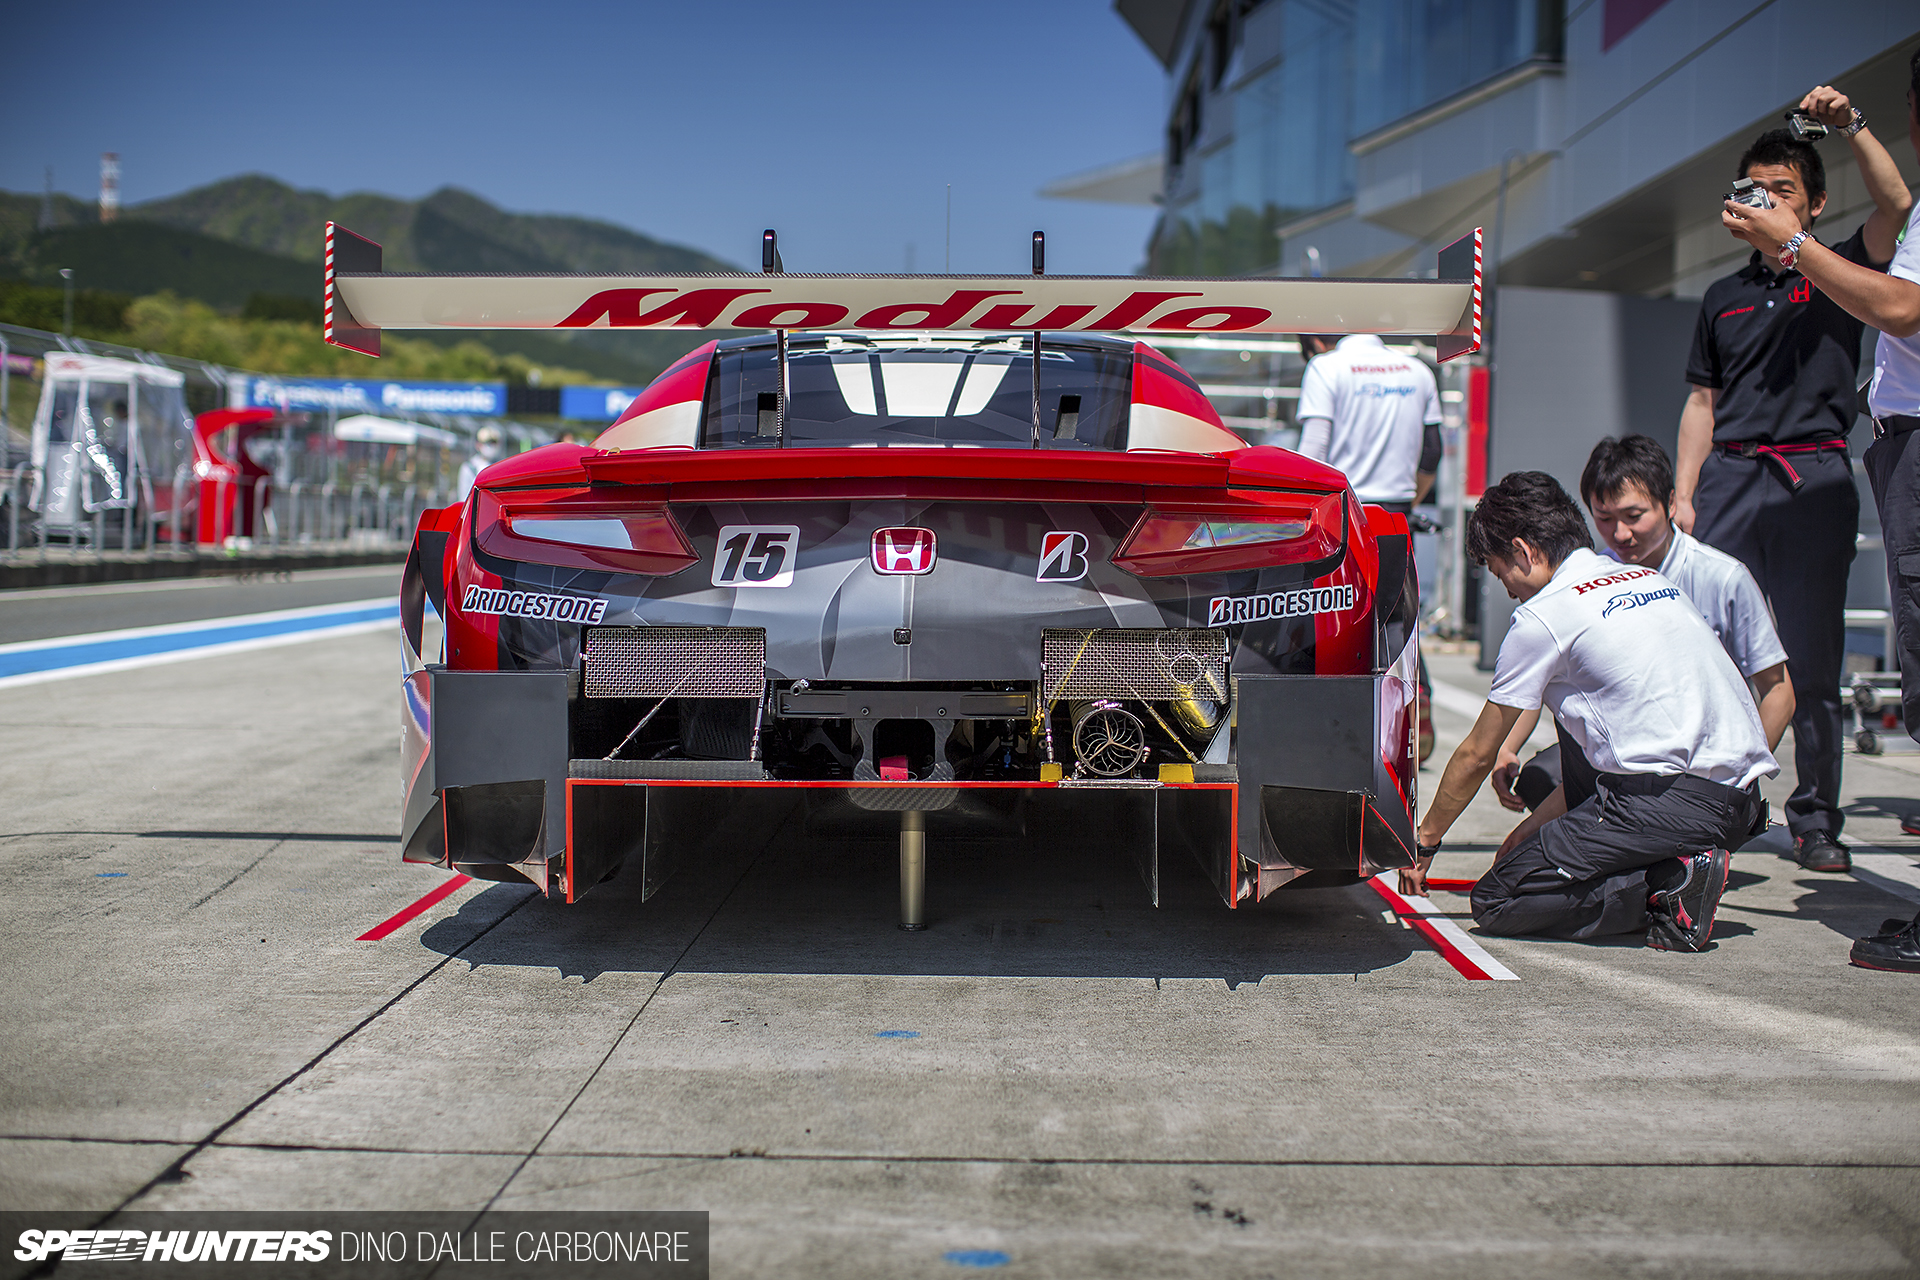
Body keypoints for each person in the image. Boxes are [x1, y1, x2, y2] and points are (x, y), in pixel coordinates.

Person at [1675, 81, 1913, 876]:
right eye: (1755, 189)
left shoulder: (1841, 270)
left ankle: (1815, 818)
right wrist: (1684, 494)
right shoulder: (1722, 296)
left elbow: (1896, 204)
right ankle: (1703, 806)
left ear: (1813, 205)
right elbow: (1702, 402)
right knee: (1707, 653)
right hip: (1730, 478)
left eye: (1783, 190)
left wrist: (1853, 126)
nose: (1767, 201)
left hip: (1814, 476)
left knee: (1813, 658)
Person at [1407, 472, 1776, 951]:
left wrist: (1425, 841)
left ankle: (1669, 884)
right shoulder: (1648, 579)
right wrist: (1531, 832)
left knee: (1498, 898)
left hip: (1672, 804)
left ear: (1522, 551)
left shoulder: (1544, 616)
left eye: (1500, 574)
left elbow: (1478, 753)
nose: (1509, 591)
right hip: (1741, 804)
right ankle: (1676, 864)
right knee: (1563, 740)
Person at [1490, 435, 1795, 813]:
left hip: (1704, 756)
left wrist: (1739, 780)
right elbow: (1540, 671)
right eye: (1604, 518)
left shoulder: (1723, 577)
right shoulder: (1591, 575)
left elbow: (1778, 689)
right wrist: (1507, 746)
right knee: (1541, 779)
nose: (1620, 534)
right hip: (1628, 753)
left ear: (1671, 503)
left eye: (1634, 516)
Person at [1296, 332, 1444, 758]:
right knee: (1397, 616)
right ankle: (1414, 712)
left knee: (1337, 619)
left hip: (1343, 515)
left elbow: (1313, 454)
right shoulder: (1418, 371)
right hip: (1395, 515)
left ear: (1316, 339)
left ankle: (1338, 725)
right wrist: (1405, 502)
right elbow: (1432, 452)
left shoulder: (1325, 368)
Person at [455, 425, 505, 500]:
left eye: (494, 443)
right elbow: (464, 497)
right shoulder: (469, 467)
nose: (491, 447)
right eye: (487, 443)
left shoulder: (501, 466)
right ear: (478, 445)